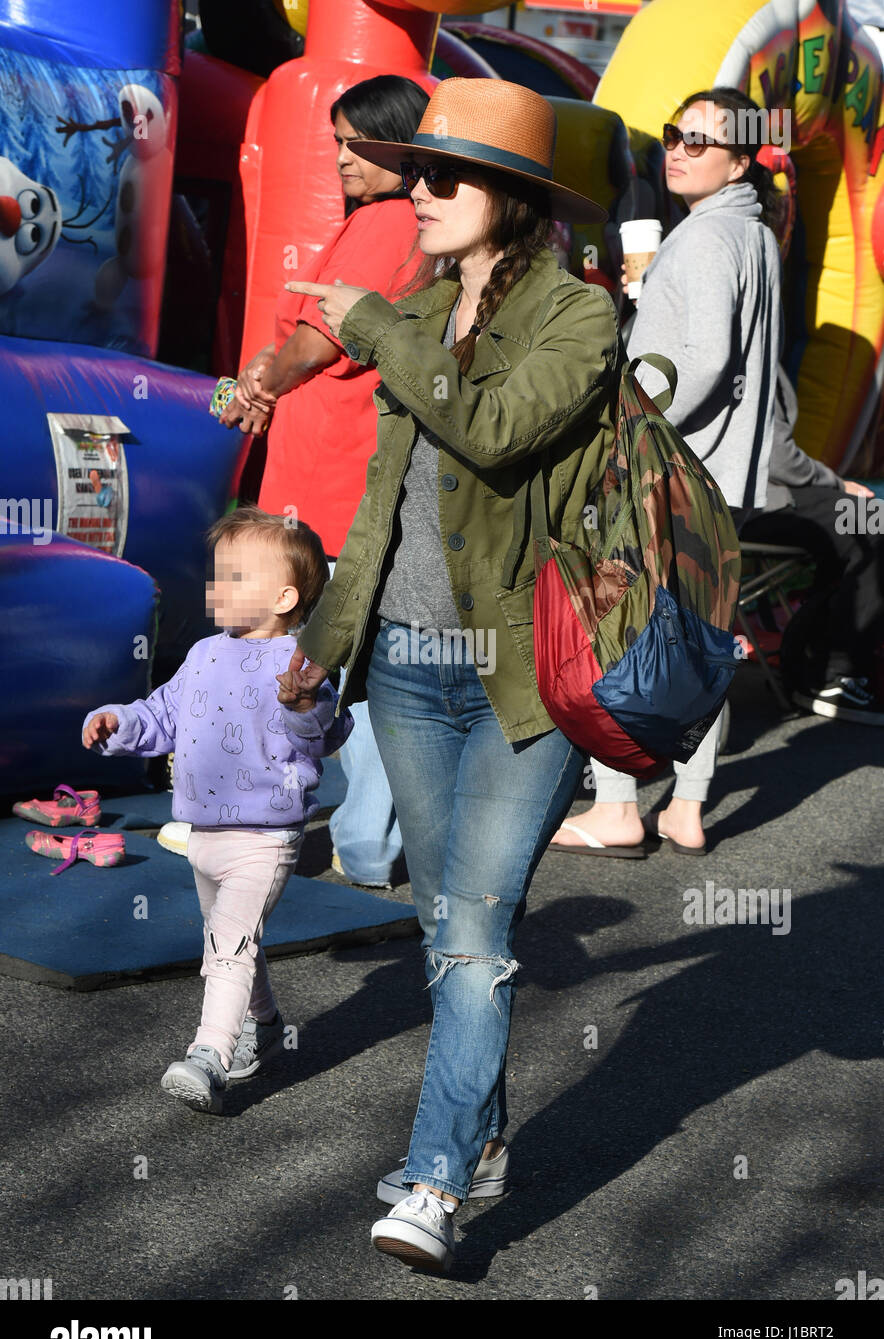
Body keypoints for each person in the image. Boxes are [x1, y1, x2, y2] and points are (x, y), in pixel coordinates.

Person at [276, 76, 619, 1273]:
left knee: (473, 935)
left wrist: (370, 328)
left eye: (439, 176)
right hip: (411, 673)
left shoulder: (578, 319)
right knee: (440, 925)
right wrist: (323, 651)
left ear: (510, 199)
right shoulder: (415, 309)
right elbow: (379, 511)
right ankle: (475, 1138)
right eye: (409, 171)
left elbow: (493, 429)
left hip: (523, 681)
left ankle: (431, 1183)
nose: (413, 193)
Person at [551, 87, 783, 858]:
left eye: (698, 141)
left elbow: (707, 360)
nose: (677, 151)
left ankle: (618, 805)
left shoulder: (710, 238)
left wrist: (632, 423)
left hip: (672, 472)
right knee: (700, 639)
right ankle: (685, 805)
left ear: (741, 158)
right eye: (672, 137)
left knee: (621, 629)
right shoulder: (749, 231)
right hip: (721, 476)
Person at [214, 76, 430, 888]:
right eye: (335, 141)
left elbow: (320, 337)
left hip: (329, 486)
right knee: (359, 664)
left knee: (301, 657)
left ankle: (263, 819)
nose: (340, 157)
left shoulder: (385, 220)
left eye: (357, 142)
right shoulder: (415, 222)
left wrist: (262, 385)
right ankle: (366, 844)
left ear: (402, 144)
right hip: (352, 481)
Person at [82, 507, 353, 1114]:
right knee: (229, 941)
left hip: (265, 836)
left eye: (235, 577)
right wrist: (118, 722)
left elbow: (323, 731)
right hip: (202, 832)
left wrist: (305, 704)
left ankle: (210, 1054)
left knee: (228, 945)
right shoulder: (205, 652)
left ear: (284, 597)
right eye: (217, 575)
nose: (216, 587)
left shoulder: (301, 664)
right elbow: (163, 714)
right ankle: (263, 1021)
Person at [740, 365, 884, 723]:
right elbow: (779, 459)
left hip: (743, 498)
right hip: (752, 502)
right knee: (873, 522)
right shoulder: (747, 329)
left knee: (863, 522)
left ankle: (817, 664)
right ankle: (838, 674)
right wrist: (836, 482)